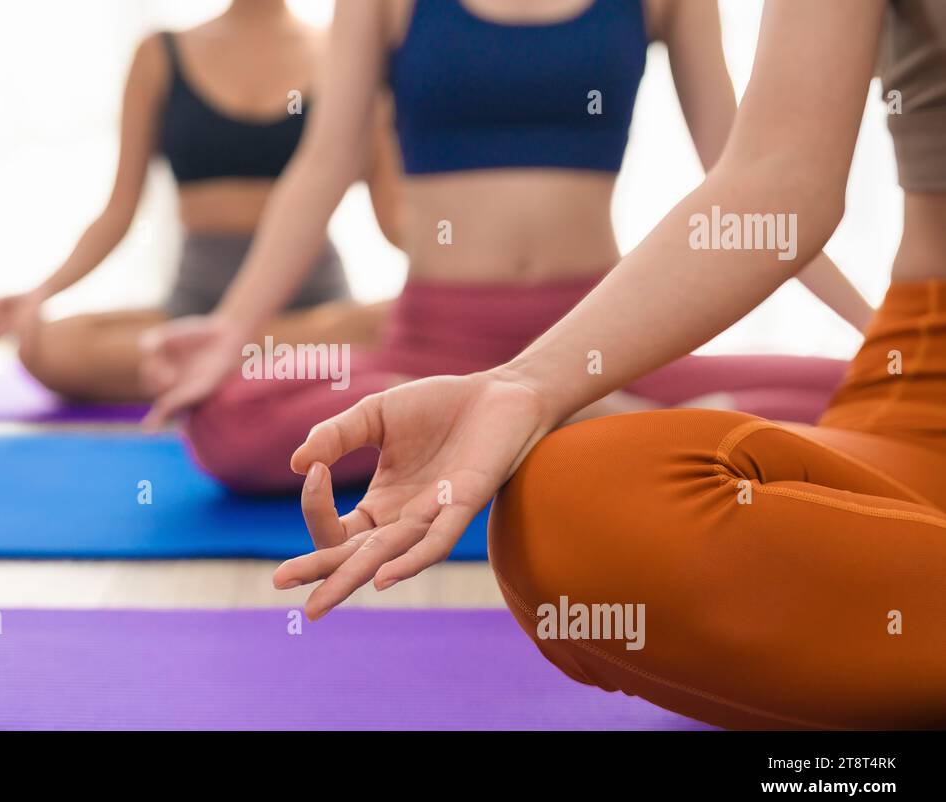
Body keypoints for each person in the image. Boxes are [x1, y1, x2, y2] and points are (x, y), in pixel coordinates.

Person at [277, 0, 946, 729]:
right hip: (923, 387)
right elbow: (777, 180)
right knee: (562, 503)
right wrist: (521, 387)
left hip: (612, 329)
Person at [141, 0, 871, 492]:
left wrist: (875, 325)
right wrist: (233, 328)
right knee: (225, 420)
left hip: (605, 346)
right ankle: (593, 427)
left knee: (870, 390)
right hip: (435, 350)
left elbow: (755, 177)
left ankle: (539, 420)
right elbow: (324, 163)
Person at [0, 0, 401, 402]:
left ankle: (220, 359)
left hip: (317, 312)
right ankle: (259, 362)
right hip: (196, 310)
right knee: (50, 347)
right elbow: (118, 211)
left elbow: (396, 220)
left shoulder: (346, 52)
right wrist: (41, 292)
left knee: (401, 324)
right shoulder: (159, 55)